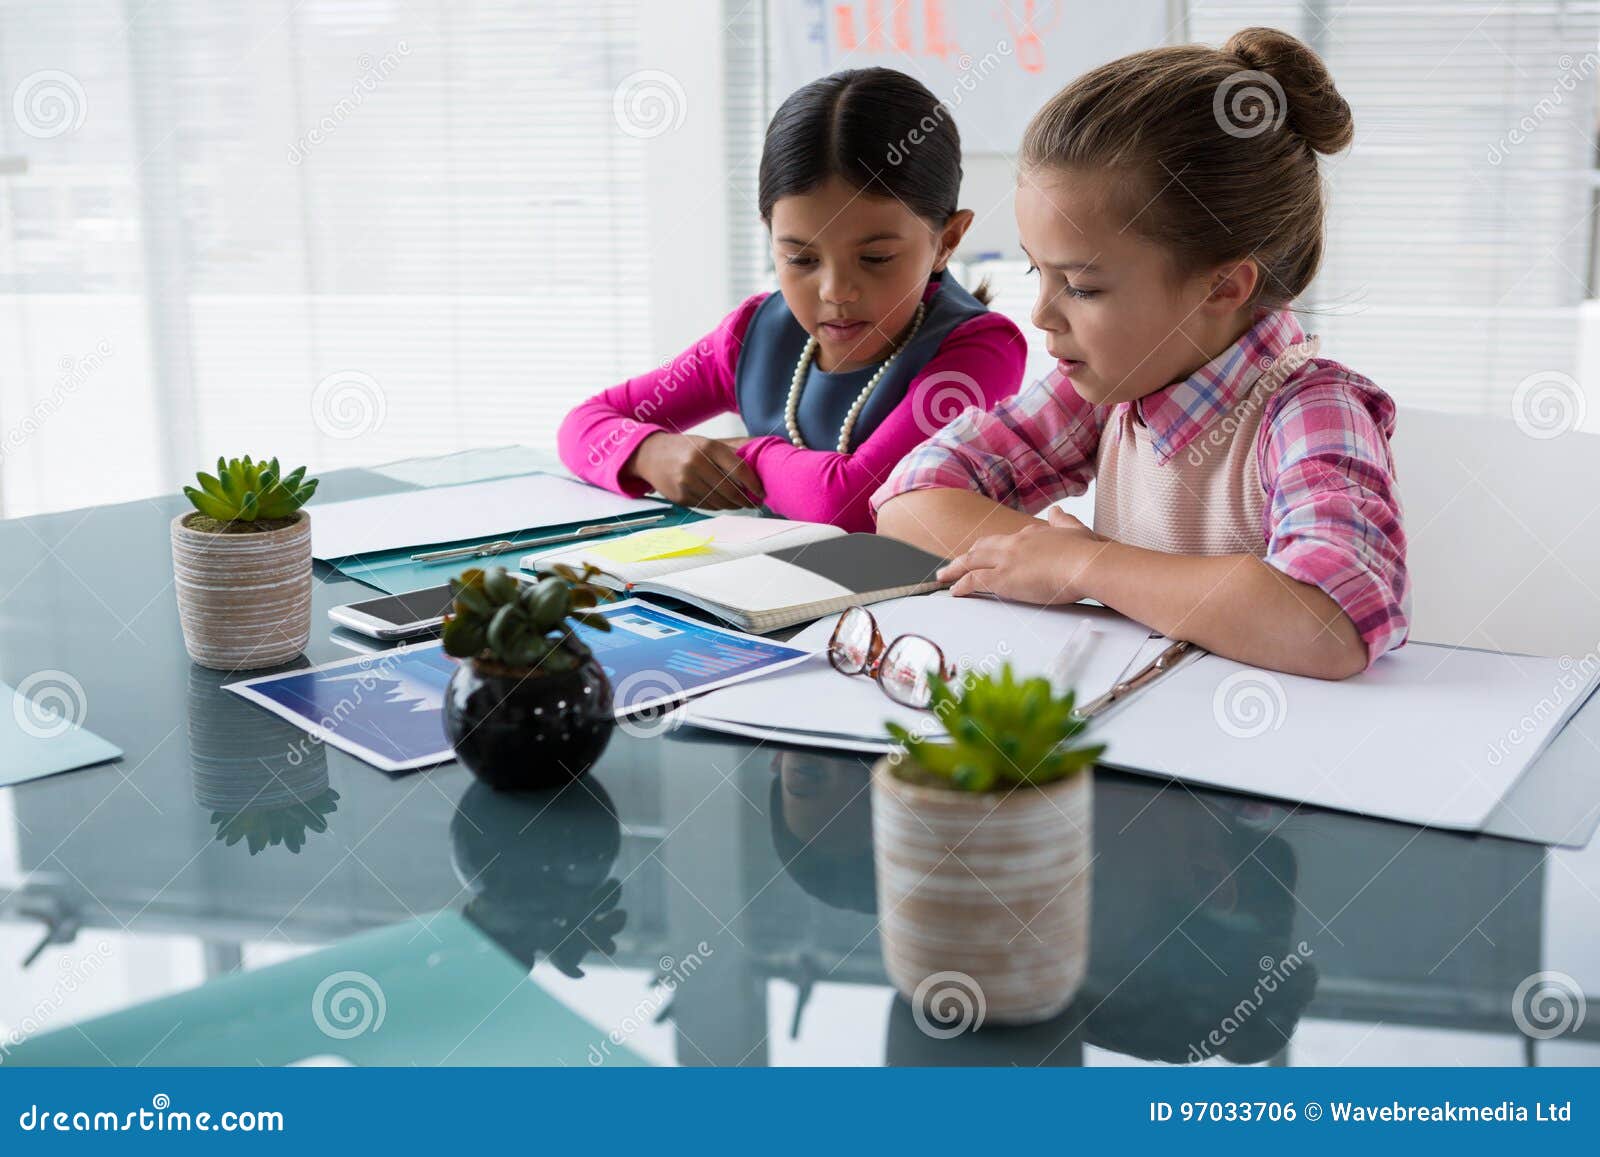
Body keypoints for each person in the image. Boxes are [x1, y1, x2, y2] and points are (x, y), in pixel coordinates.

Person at [873, 28, 1407, 679]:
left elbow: (1329, 622)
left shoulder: (1313, 410)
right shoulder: (1111, 385)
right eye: (1037, 272)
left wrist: (1085, 564)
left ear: (1223, 285)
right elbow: (911, 500)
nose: (1042, 312)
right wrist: (1052, 558)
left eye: (1082, 286)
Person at [558, 68, 1026, 532]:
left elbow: (856, 502)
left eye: (877, 257)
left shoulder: (983, 352)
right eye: (801, 259)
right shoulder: (751, 337)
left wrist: (741, 454)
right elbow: (583, 426)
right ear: (770, 238)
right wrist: (651, 452)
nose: (836, 291)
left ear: (947, 239)